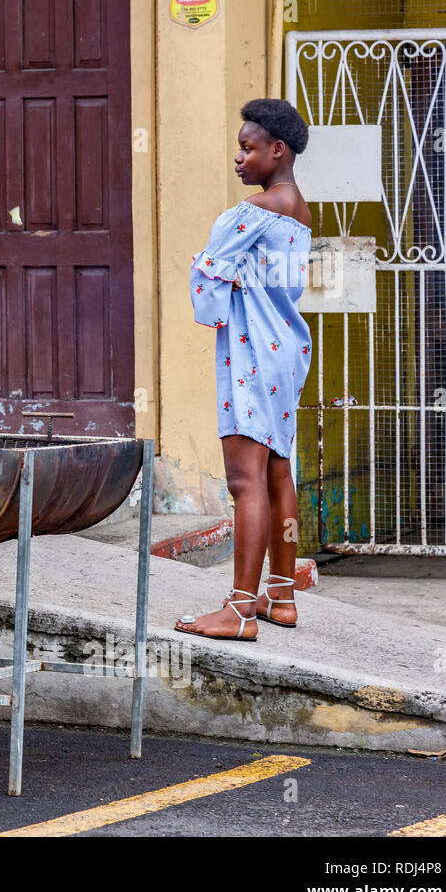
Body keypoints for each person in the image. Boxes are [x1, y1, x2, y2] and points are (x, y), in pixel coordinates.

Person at [175, 99, 313, 642]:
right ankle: (280, 595)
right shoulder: (299, 209)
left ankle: (236, 611)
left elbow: (207, 279)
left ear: (277, 150)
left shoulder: (251, 213)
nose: (239, 157)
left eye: (248, 147)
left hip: (253, 353)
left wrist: (216, 279)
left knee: (243, 479)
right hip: (287, 352)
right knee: (279, 470)